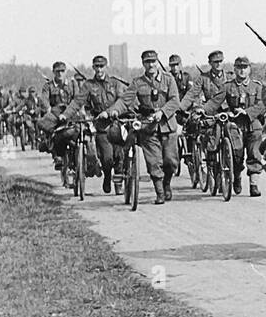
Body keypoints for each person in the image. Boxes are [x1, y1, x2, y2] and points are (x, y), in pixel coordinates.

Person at [112, 49, 182, 203]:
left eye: (153, 61)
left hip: (167, 126)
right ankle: (160, 193)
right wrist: (115, 110)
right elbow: (125, 100)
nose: (151, 65)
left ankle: (167, 184)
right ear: (143, 64)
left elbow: (175, 100)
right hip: (148, 128)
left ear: (158, 62)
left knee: (171, 161)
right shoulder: (138, 82)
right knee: (154, 162)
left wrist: (162, 112)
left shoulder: (169, 79)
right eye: (147, 62)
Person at [207, 55, 266, 196]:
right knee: (236, 154)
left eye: (245, 68)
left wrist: (247, 112)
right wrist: (202, 110)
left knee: (255, 153)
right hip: (234, 125)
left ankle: (254, 184)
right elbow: (214, 102)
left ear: (249, 69)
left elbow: (262, 104)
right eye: (239, 68)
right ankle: (236, 177)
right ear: (234, 69)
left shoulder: (257, 86)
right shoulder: (228, 86)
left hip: (253, 124)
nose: (242, 71)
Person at [62, 56, 127, 193]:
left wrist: (112, 111)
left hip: (117, 122)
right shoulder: (88, 85)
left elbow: (122, 100)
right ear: (93, 68)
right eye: (96, 67)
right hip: (102, 126)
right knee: (107, 157)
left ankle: (119, 180)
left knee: (121, 153)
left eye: (101, 66)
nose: (99, 69)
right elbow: (77, 102)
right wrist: (66, 115)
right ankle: (108, 176)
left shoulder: (115, 83)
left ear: (106, 67)